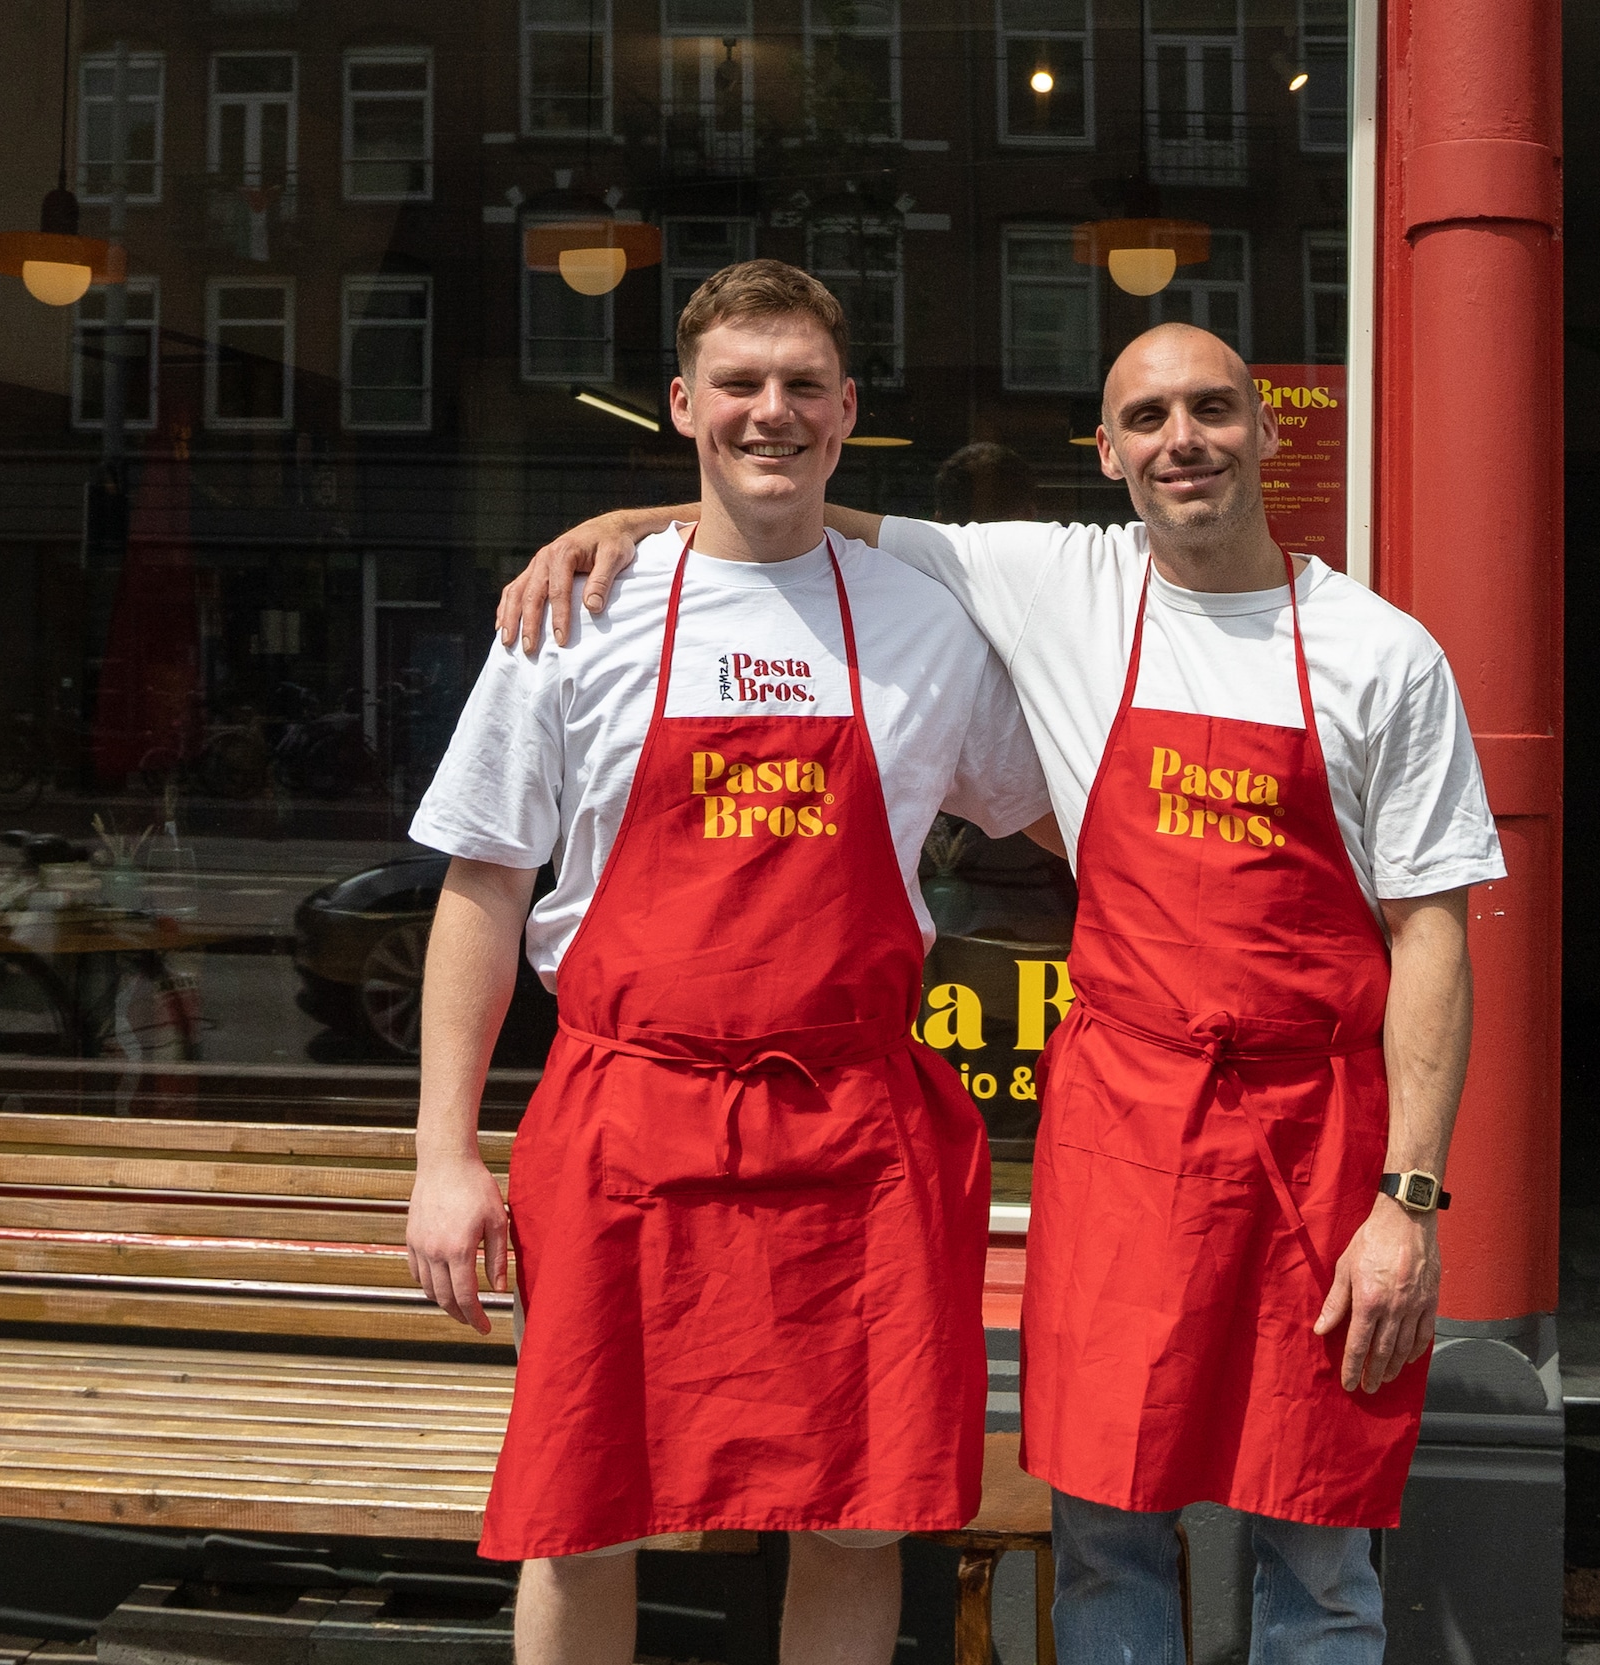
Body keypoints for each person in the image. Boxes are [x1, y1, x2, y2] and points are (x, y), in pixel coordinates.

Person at [497, 321, 1506, 1665]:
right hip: (1127, 1134)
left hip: (1315, 1142)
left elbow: (1433, 936)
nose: (1183, 441)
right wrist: (629, 521)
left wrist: (1409, 1201)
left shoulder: (1384, 653)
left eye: (1213, 409)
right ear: (1107, 454)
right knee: (1106, 1539)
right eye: (1146, 419)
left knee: (1316, 1551)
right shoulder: (1060, 582)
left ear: (1269, 431)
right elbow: (796, 500)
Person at [405, 261, 1049, 1665]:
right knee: (585, 1513)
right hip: (626, 1122)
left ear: (848, 410)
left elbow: (1063, 816)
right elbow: (483, 887)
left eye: (803, 384)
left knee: (857, 1519)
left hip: (855, 1129)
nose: (773, 412)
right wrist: (444, 1155)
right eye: (740, 384)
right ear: (683, 405)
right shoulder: (574, 612)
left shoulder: (927, 621)